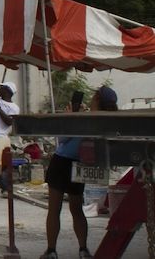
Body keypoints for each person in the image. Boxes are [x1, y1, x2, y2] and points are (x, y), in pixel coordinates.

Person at [40, 85, 118, 259]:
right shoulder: (107, 121)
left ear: (97, 98)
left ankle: (51, 250)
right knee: (77, 209)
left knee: (54, 208)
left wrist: (70, 117)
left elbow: (63, 139)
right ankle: (83, 249)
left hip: (61, 162)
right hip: (80, 164)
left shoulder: (83, 117)